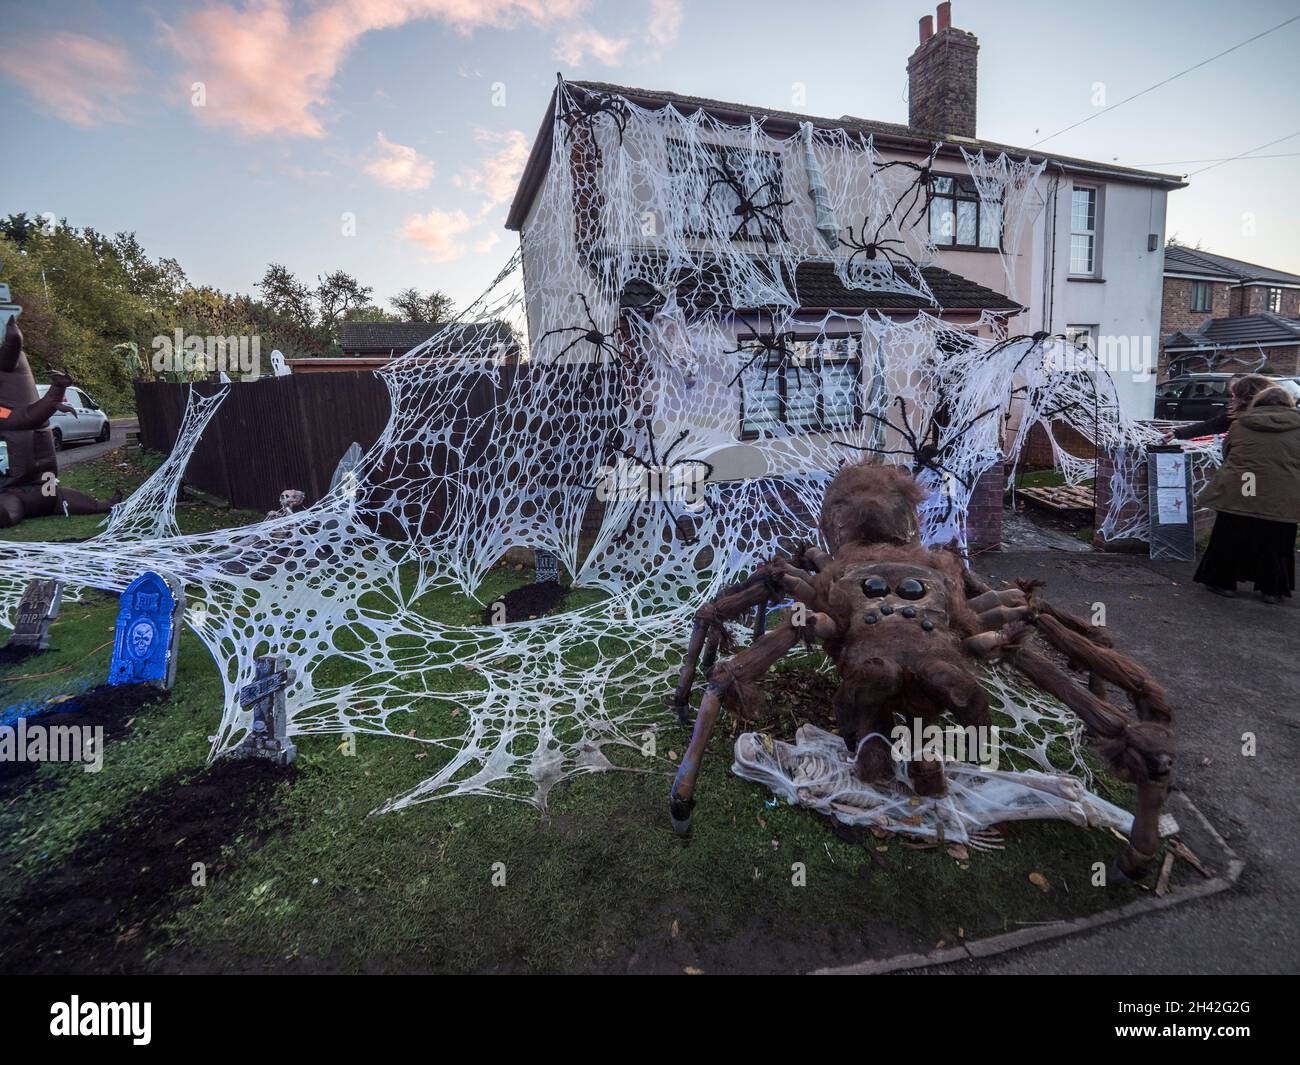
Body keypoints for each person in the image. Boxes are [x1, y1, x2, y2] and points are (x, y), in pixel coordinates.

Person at [1194, 386, 1300, 604]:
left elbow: (1227, 451)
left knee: (1230, 534)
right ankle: (1272, 589)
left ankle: (1223, 582)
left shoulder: (1241, 424)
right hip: (1283, 491)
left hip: (1243, 486)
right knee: (1278, 540)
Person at [1160, 373, 1273, 441]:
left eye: (1235, 396)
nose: (1232, 399)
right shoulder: (1237, 415)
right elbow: (1211, 425)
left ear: (1247, 398)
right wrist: (1177, 433)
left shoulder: (1252, 423)